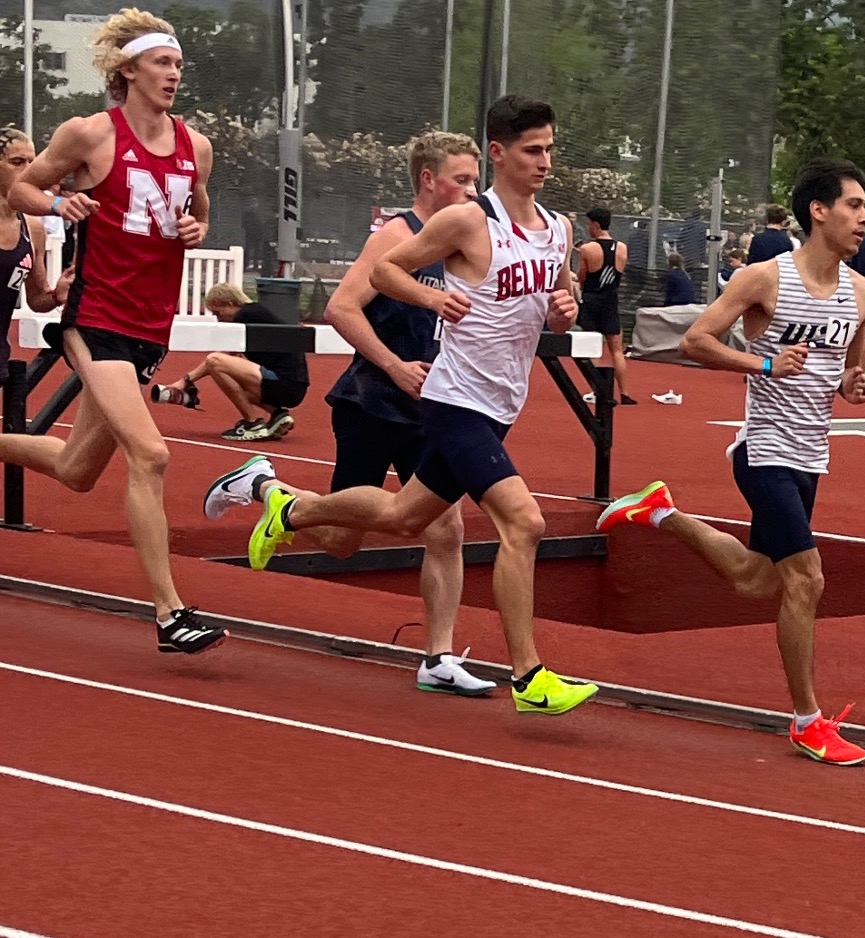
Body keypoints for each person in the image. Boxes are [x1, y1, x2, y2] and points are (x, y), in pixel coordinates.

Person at [205, 94, 597, 714]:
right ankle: (530, 677)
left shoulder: (558, 227)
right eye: (532, 150)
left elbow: (555, 298)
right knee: (525, 522)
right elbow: (385, 274)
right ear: (499, 152)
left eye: (550, 149)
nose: (545, 161)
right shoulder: (467, 221)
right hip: (451, 399)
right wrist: (431, 299)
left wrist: (563, 307)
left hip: (501, 402)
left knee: (402, 518)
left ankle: (286, 507)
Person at [596, 157, 865, 765]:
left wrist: (854, 383)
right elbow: (694, 340)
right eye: (855, 206)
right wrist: (767, 364)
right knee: (807, 578)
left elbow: (849, 370)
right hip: (763, 450)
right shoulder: (764, 279)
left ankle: (660, 513)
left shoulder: (864, 293)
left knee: (757, 579)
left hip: (812, 455)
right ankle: (807, 720)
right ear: (819, 210)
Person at [205, 132, 495, 696]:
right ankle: (269, 490)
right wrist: (395, 366)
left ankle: (437, 657)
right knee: (341, 541)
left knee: (446, 526)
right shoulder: (396, 235)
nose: (472, 189)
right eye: (461, 178)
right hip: (375, 399)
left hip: (431, 406)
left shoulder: (462, 242)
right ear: (428, 179)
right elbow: (341, 308)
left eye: (475, 178)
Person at [3, 12, 224, 654]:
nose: (174, 74)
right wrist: (57, 204)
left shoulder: (195, 144)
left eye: (179, 65)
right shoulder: (90, 134)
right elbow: (21, 187)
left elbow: (200, 203)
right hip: (96, 317)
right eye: (162, 63)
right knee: (151, 455)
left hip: (151, 326)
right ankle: (169, 613)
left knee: (76, 469)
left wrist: (197, 229)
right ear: (128, 70)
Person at [157, 283, 307, 441]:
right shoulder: (254, 313)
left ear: (230, 304)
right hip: (292, 385)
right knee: (229, 379)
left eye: (218, 313)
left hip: (285, 383)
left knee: (215, 361)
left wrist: (185, 380)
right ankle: (278, 414)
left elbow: (215, 361)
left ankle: (253, 423)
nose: (218, 319)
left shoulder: (244, 315)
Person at [1, 127, 73, 360]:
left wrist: (56, 294)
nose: (26, 170)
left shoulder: (32, 228)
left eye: (31, 163)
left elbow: (36, 298)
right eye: (17, 162)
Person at [576, 205, 635, 404]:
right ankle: (625, 393)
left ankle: (598, 391)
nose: (588, 228)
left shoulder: (587, 249)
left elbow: (582, 277)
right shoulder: (622, 248)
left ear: (596, 225)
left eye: (589, 224)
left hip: (592, 299)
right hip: (611, 299)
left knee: (593, 348)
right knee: (617, 349)